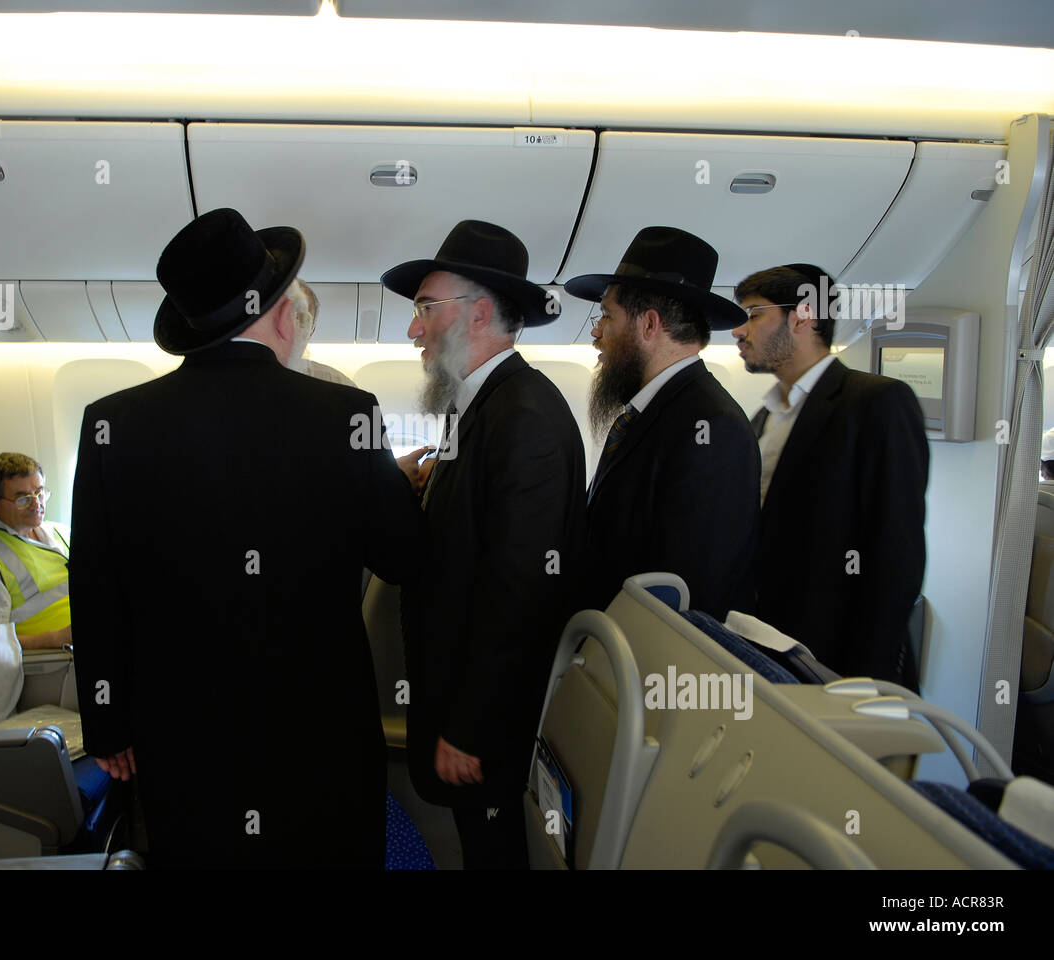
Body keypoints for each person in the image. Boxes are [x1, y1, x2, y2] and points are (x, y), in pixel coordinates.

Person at [68, 208, 422, 868]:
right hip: (319, 731)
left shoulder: (110, 424)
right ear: (285, 317)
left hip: (182, 736)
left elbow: (93, 586)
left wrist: (107, 724)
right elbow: (400, 554)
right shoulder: (346, 413)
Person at [383, 219, 586, 869]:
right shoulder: (475, 410)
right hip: (461, 699)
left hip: (485, 721)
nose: (414, 329)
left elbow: (521, 595)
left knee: (495, 854)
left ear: (476, 313)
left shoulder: (523, 418)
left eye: (424, 309)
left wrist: (470, 729)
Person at [732, 262, 928, 689]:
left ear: (804, 315)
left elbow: (896, 554)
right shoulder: (764, 418)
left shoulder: (876, 402)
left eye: (754, 314)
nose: (738, 331)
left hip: (842, 664)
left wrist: (864, 682)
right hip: (770, 654)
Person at [565, 226, 759, 620]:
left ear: (649, 325)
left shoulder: (712, 429)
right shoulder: (649, 413)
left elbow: (686, 598)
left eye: (606, 316)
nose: (596, 333)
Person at [0, 452, 72, 650]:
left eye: (40, 493)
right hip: (56, 659)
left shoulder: (60, 531)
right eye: (23, 499)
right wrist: (56, 638)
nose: (37, 504)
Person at [283, 278, 358, 386]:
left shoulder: (339, 384)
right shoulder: (339, 383)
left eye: (302, 320)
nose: (289, 329)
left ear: (311, 332)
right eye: (287, 318)